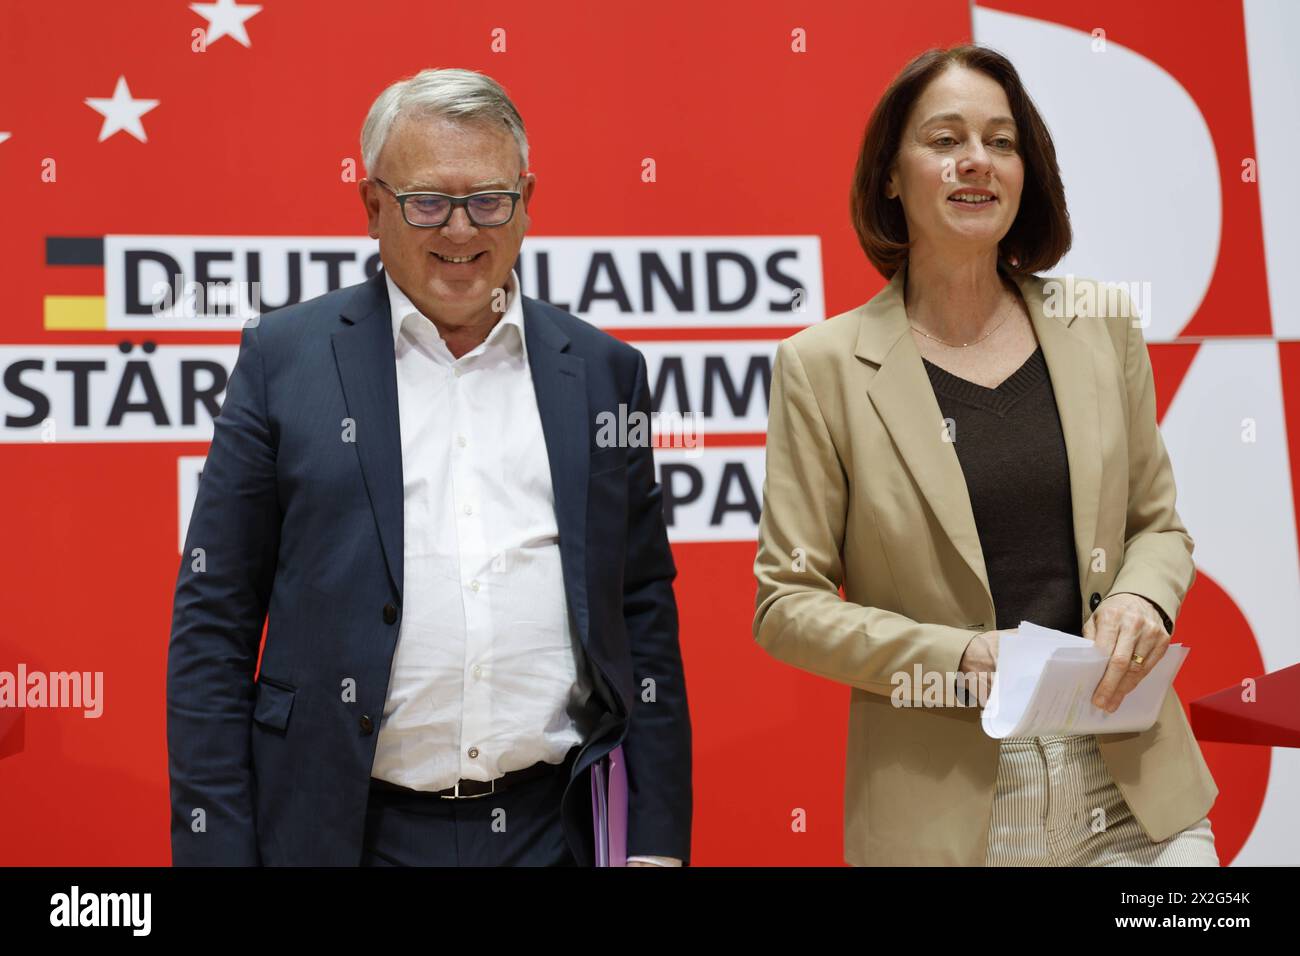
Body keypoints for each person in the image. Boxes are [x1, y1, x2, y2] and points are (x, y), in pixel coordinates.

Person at [167, 68, 691, 866]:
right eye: (426, 202)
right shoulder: (285, 361)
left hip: (554, 831)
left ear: (527, 200)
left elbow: (642, 610)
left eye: (488, 200)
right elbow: (214, 625)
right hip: (342, 834)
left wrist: (654, 842)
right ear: (372, 206)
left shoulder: (600, 372)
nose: (459, 229)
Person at [752, 45, 1217, 866]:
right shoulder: (822, 367)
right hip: (955, 820)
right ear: (890, 176)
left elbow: (1158, 528)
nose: (977, 161)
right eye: (945, 139)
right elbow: (785, 606)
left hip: (1136, 792)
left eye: (1001, 142)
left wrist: (1145, 601)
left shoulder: (1101, 323)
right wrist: (961, 657)